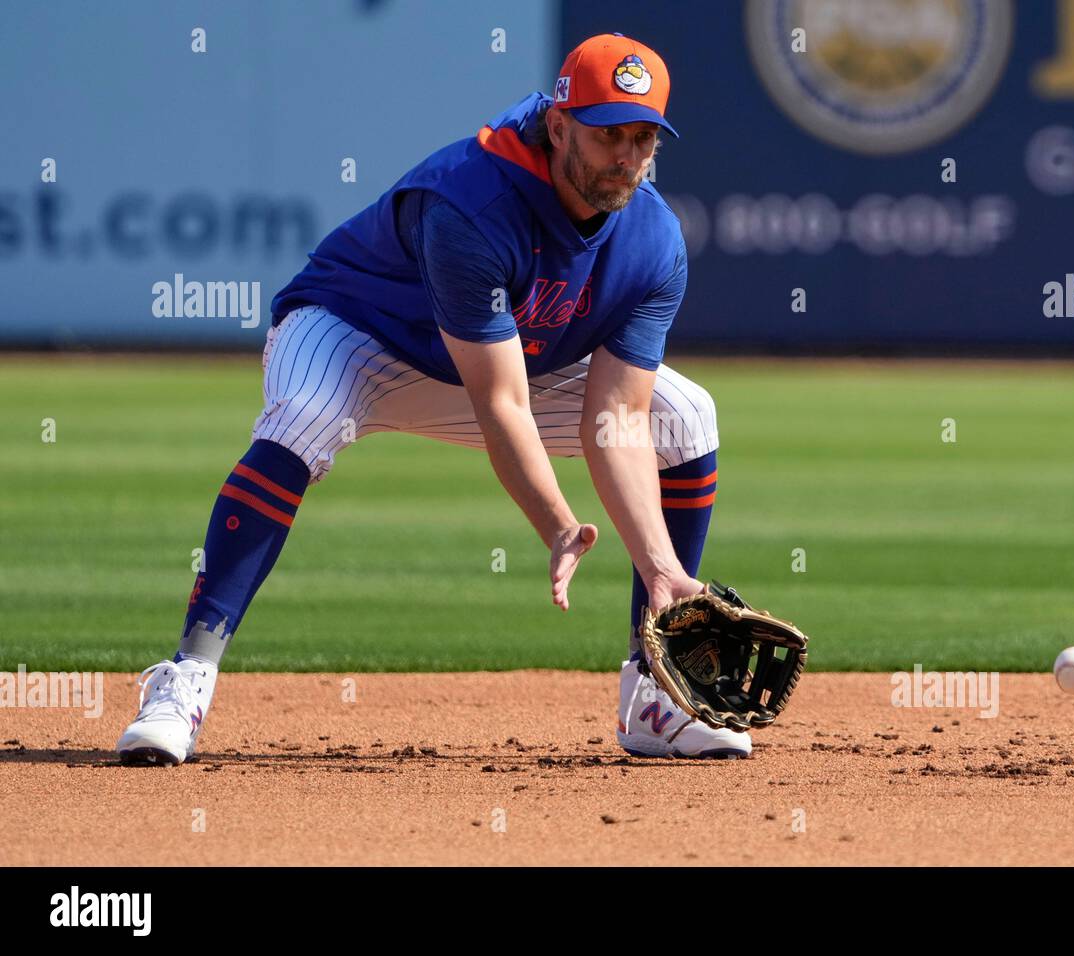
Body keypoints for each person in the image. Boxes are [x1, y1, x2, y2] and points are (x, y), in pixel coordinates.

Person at [116, 33, 750, 765]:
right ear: (559, 125)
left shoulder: (652, 239)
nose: (627, 155)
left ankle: (655, 698)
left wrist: (660, 566)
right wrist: (555, 522)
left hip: (507, 365)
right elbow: (502, 403)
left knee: (685, 416)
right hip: (360, 339)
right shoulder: (473, 202)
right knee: (304, 418)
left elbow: (617, 417)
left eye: (643, 137)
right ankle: (184, 679)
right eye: (609, 134)